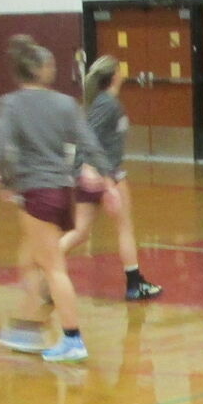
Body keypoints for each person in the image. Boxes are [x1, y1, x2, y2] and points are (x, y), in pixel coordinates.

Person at [0, 34, 107, 363]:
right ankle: (28, 327)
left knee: (53, 268)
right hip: (61, 191)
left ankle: (72, 338)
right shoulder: (66, 104)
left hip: (36, 192)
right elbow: (90, 143)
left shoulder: (11, 104)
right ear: (39, 69)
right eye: (51, 64)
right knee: (33, 261)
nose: (54, 68)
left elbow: (3, 151)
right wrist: (107, 177)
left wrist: (10, 183)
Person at [58, 55, 162, 300]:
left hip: (91, 174)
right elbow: (88, 136)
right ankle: (135, 284)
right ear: (114, 75)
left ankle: (47, 267)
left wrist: (81, 169)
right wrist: (91, 170)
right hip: (107, 173)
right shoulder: (107, 104)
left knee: (81, 231)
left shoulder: (99, 102)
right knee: (125, 228)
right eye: (120, 68)